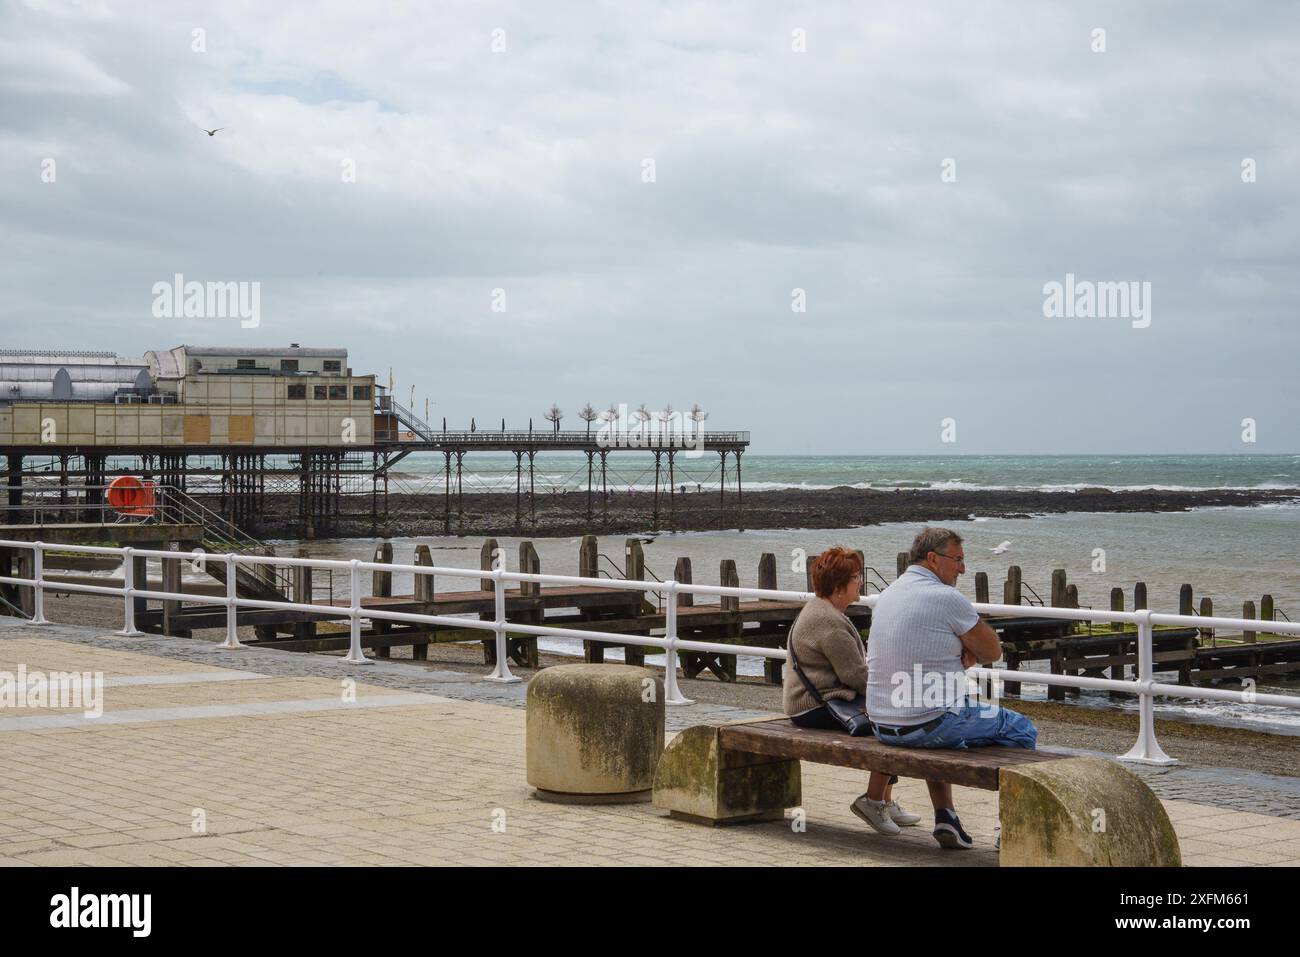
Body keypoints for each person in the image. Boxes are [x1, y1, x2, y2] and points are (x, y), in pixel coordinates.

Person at [866, 527, 1037, 850]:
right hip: (926, 722)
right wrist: (966, 647)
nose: (962, 569)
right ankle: (1011, 829)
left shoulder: (888, 594)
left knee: (942, 715)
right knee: (1021, 728)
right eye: (957, 560)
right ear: (933, 559)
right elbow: (992, 652)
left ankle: (947, 817)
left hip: (883, 724)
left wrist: (954, 650)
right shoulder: (946, 598)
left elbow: (915, 649)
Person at [784, 547, 921, 835]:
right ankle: (873, 801)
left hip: (820, 699)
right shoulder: (829, 622)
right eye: (856, 577)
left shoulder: (825, 610)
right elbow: (856, 676)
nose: (860, 582)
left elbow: (855, 675)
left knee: (893, 712)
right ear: (838, 587)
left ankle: (884, 799)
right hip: (813, 705)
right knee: (893, 723)